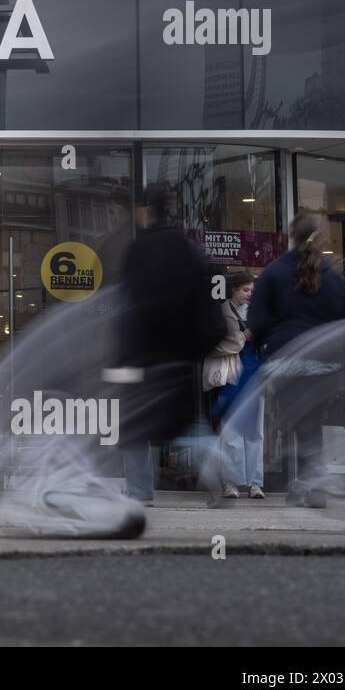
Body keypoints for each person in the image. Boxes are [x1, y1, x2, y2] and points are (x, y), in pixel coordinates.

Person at [114, 183, 226, 507]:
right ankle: (213, 461)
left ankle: (140, 493)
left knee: (135, 424)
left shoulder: (139, 249)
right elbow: (202, 299)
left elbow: (128, 305)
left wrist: (124, 353)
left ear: (147, 210)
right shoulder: (186, 247)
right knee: (185, 420)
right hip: (180, 351)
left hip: (145, 351)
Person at [247, 210, 345, 507]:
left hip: (287, 359)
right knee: (310, 422)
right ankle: (311, 481)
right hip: (325, 362)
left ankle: (310, 479)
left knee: (295, 422)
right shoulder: (333, 278)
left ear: (291, 237)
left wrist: (261, 346)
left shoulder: (273, 273)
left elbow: (257, 320)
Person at [206, 272, 265, 499]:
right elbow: (215, 344)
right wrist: (243, 336)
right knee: (231, 433)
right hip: (231, 376)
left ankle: (255, 483)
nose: (249, 294)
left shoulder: (258, 313)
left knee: (255, 433)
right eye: (245, 290)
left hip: (253, 376)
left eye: (252, 291)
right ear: (234, 289)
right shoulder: (222, 312)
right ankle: (231, 482)